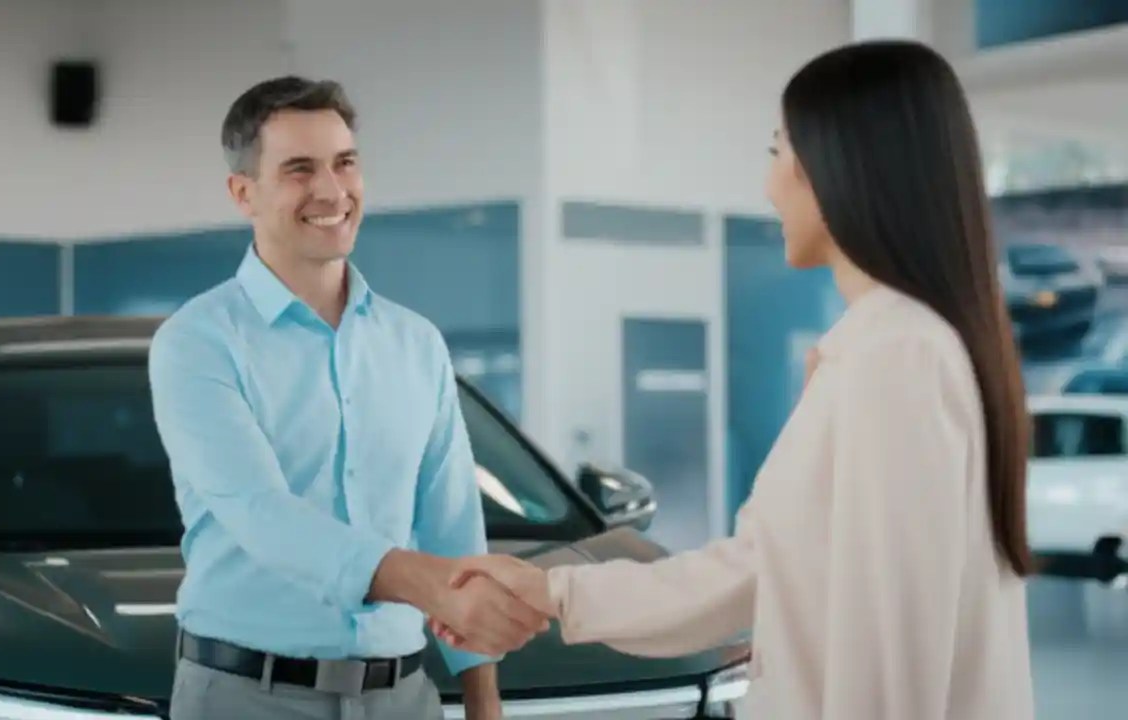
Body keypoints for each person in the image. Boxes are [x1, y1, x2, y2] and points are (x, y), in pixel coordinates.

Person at [435, 40, 1036, 720]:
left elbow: (894, 647)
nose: (768, 184)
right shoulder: (891, 348)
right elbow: (753, 571)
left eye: (778, 151)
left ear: (841, 168)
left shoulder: (897, 358)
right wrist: (550, 591)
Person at [149, 76, 548, 720]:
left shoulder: (416, 343)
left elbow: (451, 522)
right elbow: (261, 513)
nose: (332, 191)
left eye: (345, 163)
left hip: (404, 699)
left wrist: (482, 698)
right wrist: (434, 588)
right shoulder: (196, 342)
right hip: (246, 698)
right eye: (300, 169)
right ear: (243, 192)